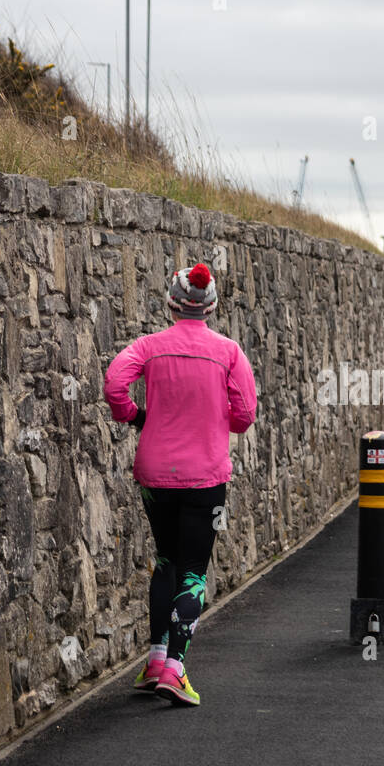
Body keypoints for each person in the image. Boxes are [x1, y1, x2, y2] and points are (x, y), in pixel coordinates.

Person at [103, 262, 257, 706]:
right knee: (193, 571)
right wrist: (214, 419)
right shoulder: (228, 353)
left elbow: (115, 383)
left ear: (172, 304)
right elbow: (245, 415)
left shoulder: (149, 348)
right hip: (205, 477)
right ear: (211, 307)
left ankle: (154, 661)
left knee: (165, 560)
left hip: (155, 475)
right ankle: (175, 668)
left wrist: (134, 416)